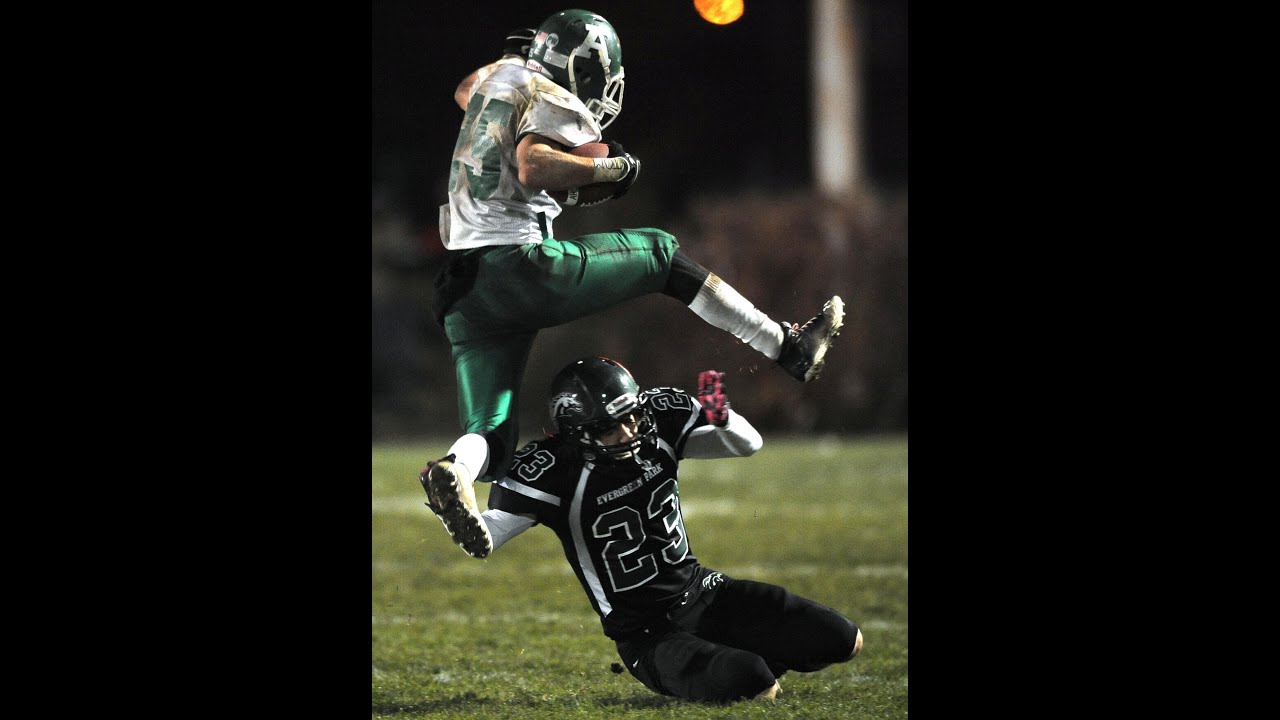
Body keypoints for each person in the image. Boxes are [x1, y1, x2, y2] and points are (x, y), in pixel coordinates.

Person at [424, 8, 846, 559]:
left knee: (493, 436)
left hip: (462, 291)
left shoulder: (499, 77)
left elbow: (465, 90)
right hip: (515, 266)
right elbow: (532, 165)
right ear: (581, 67)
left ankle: (455, 469)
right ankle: (787, 346)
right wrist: (613, 170)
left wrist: (512, 62)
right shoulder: (553, 94)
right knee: (659, 254)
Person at [423, 356, 863, 702]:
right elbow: (486, 538)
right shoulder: (555, 470)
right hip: (648, 634)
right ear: (575, 431)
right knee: (754, 682)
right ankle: (738, 660)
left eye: (631, 418)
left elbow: (748, 445)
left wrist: (722, 415)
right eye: (609, 427)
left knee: (845, 639)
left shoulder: (656, 422)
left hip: (705, 593)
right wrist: (456, 512)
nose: (628, 432)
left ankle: (740, 651)